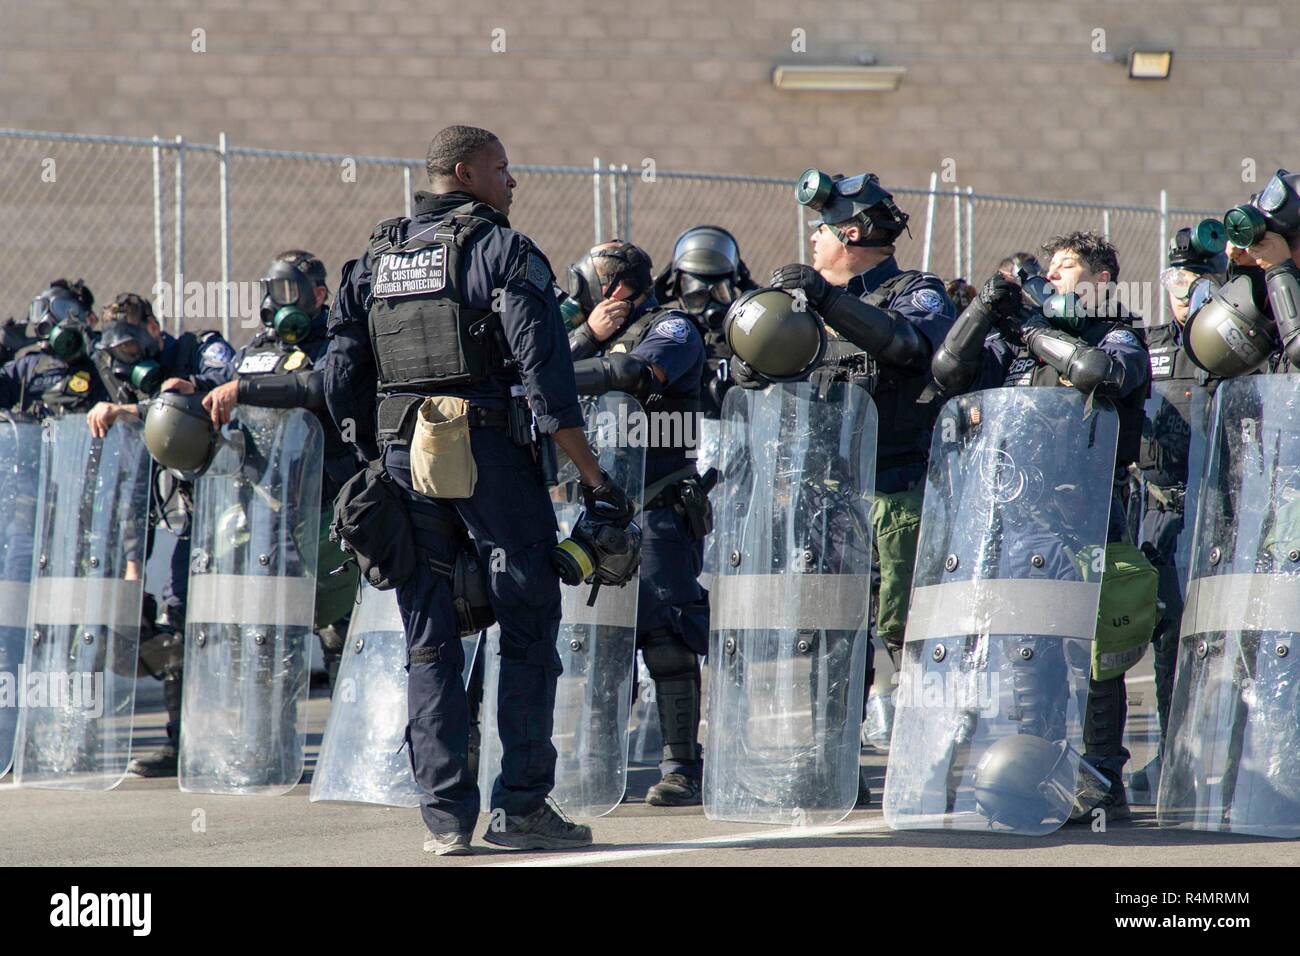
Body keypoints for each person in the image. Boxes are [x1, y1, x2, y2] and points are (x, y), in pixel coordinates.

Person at [323, 125, 631, 855]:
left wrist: (370, 454)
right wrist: (595, 480)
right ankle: (521, 809)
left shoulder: (376, 256)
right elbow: (545, 379)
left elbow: (339, 373)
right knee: (527, 623)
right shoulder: (504, 252)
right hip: (488, 455)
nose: (512, 181)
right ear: (464, 173)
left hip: (404, 460)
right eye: (501, 169)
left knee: (430, 637)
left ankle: (444, 823)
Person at [930, 230, 1155, 821]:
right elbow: (948, 373)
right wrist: (987, 308)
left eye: (1067, 267)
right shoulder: (1019, 348)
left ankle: (1103, 775)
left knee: (1096, 652)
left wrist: (1034, 329)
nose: (1052, 276)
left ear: (1101, 281)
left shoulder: (1117, 334)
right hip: (1016, 518)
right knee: (1029, 654)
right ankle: (1041, 771)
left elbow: (1104, 375)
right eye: (1048, 269)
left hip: (1085, 515)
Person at [165, 251, 363, 697]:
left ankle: (346, 750)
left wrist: (242, 389)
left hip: (328, 514)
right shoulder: (257, 350)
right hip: (267, 517)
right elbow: (228, 390)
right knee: (269, 636)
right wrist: (198, 390)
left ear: (318, 294)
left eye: (288, 290)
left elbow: (316, 387)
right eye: (271, 291)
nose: (277, 301)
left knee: (341, 634)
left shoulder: (336, 339)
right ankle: (267, 751)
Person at [566, 240, 710, 806]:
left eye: (587, 283)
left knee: (666, 632)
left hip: (659, 504)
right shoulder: (591, 336)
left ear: (616, 289)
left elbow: (638, 373)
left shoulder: (671, 329)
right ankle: (599, 763)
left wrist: (591, 351)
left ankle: (680, 768)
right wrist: (587, 338)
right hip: (600, 505)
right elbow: (536, 377)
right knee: (604, 640)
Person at [76, 291, 234, 777]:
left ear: (153, 328)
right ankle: (183, 743)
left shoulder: (199, 349)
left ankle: (249, 738)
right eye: (118, 352)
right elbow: (135, 482)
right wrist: (131, 563)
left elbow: (228, 384)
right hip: (190, 516)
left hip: (235, 508)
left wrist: (158, 400)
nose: (129, 358)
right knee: (177, 613)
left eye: (132, 345)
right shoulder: (124, 388)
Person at [1132, 224, 1225, 785]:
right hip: (1154, 509)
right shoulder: (1148, 344)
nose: (1182, 289)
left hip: (1212, 508)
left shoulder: (1236, 346)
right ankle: (1170, 753)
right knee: (1160, 630)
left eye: (1194, 280)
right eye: (1174, 277)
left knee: (1207, 635)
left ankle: (1205, 754)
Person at [650, 225, 756, 423]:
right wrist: (650, 298)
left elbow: (778, 330)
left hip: (739, 444)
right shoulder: (668, 336)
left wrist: (753, 293)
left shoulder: (746, 338)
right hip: (680, 444)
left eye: (720, 293)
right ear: (680, 294)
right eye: (697, 297)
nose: (710, 307)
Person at [0, 282, 107, 417]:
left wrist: (97, 350)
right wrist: (3, 352)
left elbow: (123, 400)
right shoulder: (28, 367)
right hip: (35, 437)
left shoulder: (102, 364)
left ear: (86, 318)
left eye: (64, 309)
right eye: (40, 310)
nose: (48, 318)